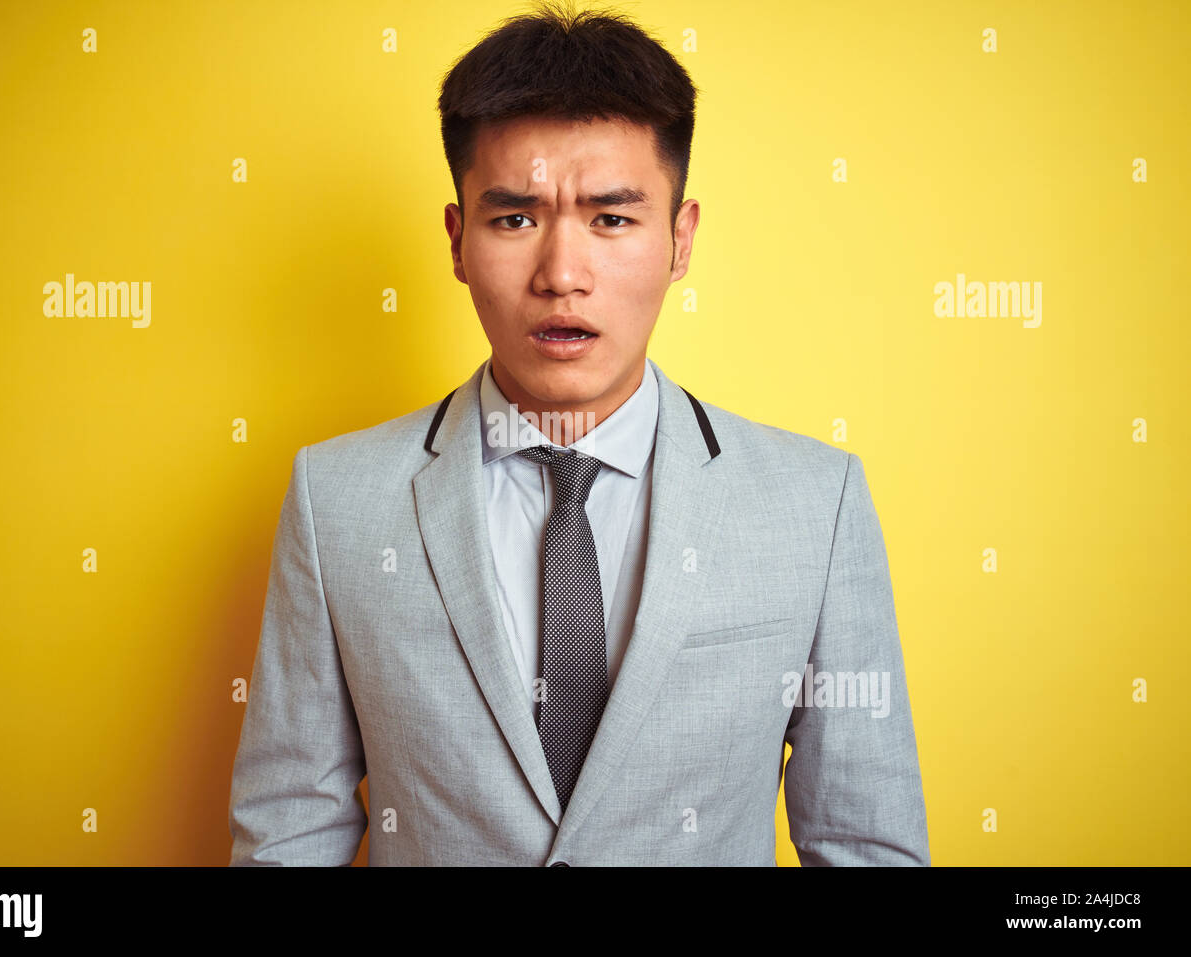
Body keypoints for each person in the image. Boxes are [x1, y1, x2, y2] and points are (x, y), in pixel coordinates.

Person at [228, 1, 929, 866]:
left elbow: (864, 842)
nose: (562, 274)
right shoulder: (335, 499)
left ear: (680, 239)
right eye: (514, 218)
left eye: (612, 218)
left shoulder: (814, 504)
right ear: (457, 239)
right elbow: (290, 829)